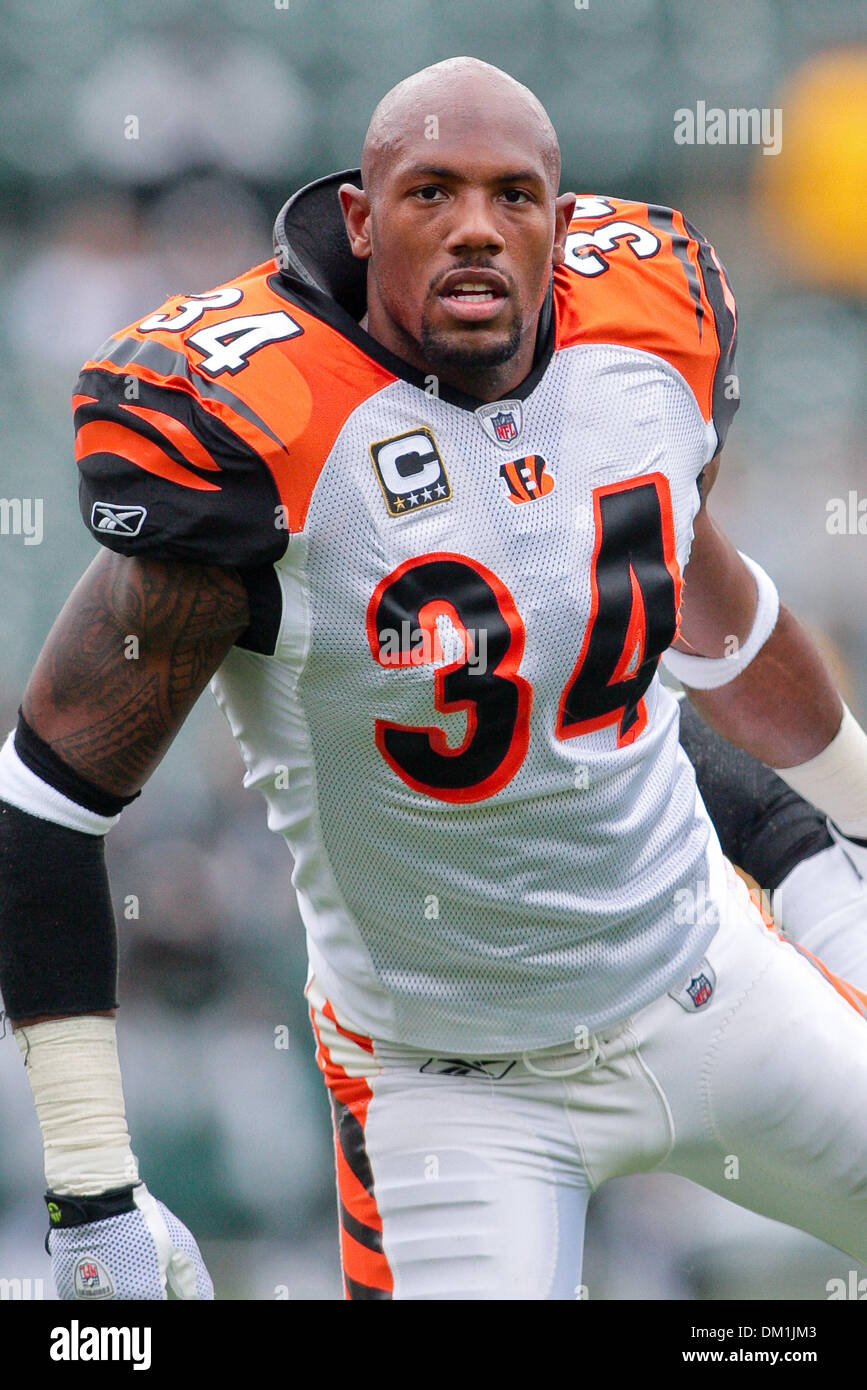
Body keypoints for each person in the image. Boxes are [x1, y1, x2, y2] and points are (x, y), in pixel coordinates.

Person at [2, 56, 867, 1301]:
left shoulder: (645, 333)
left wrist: (834, 822)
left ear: (562, 226)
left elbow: (701, 611)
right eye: (432, 194)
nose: (476, 227)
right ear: (360, 219)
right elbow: (44, 806)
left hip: (705, 975)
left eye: (515, 195)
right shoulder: (258, 434)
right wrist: (91, 1192)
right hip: (447, 1088)